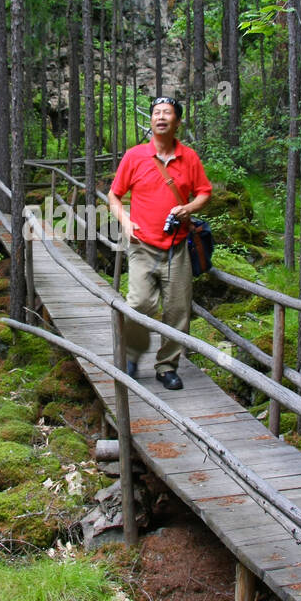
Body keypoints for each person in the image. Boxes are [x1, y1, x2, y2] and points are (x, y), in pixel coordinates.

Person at [107, 96, 211, 390]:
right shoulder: (135, 156)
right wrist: (125, 221)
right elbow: (114, 195)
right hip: (141, 244)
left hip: (177, 247)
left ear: (177, 122)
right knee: (139, 303)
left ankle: (167, 366)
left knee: (177, 310)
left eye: (167, 113)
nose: (161, 117)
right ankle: (130, 356)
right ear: (151, 121)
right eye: (156, 112)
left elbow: (204, 192)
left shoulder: (189, 158)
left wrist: (189, 208)